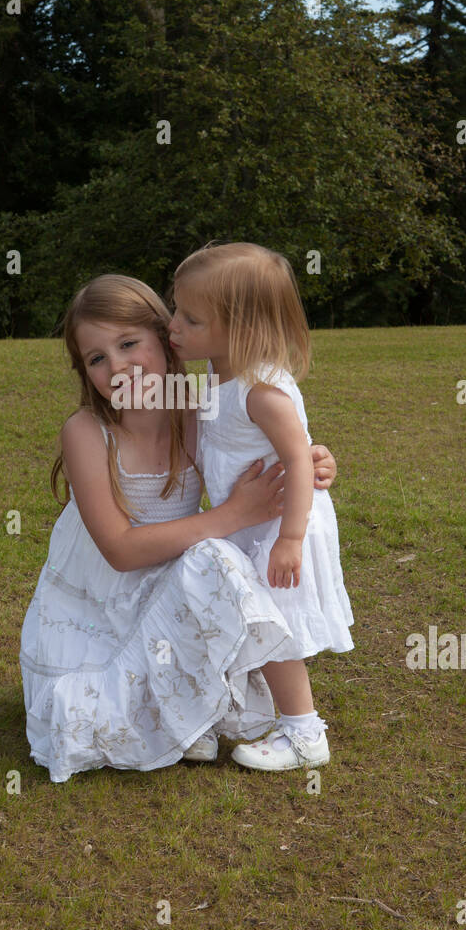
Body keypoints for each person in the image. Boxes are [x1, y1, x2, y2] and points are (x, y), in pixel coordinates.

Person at [19, 273, 339, 783]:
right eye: (96, 358)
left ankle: (293, 726)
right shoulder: (87, 431)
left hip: (166, 588)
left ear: (165, 338)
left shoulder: (198, 405)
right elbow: (121, 551)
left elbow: (255, 450)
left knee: (219, 560)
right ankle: (175, 711)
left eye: (128, 344)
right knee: (216, 553)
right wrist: (233, 514)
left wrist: (309, 459)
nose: (117, 365)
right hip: (99, 611)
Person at [169, 242, 354, 771]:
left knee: (275, 634)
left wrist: (291, 538)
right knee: (241, 621)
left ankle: (304, 733)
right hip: (248, 522)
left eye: (191, 318)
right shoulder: (217, 377)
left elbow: (299, 459)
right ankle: (220, 715)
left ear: (241, 327)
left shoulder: (260, 391)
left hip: (278, 527)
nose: (174, 325)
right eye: (176, 309)